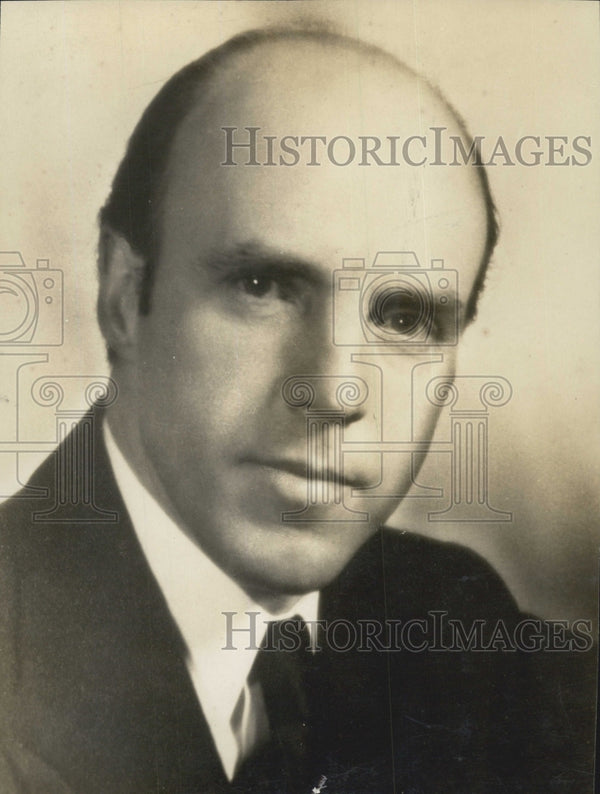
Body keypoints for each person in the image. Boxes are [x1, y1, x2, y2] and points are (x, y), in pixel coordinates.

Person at [0, 28, 593, 793]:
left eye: (406, 318)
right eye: (264, 288)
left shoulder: (468, 640)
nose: (339, 390)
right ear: (122, 297)